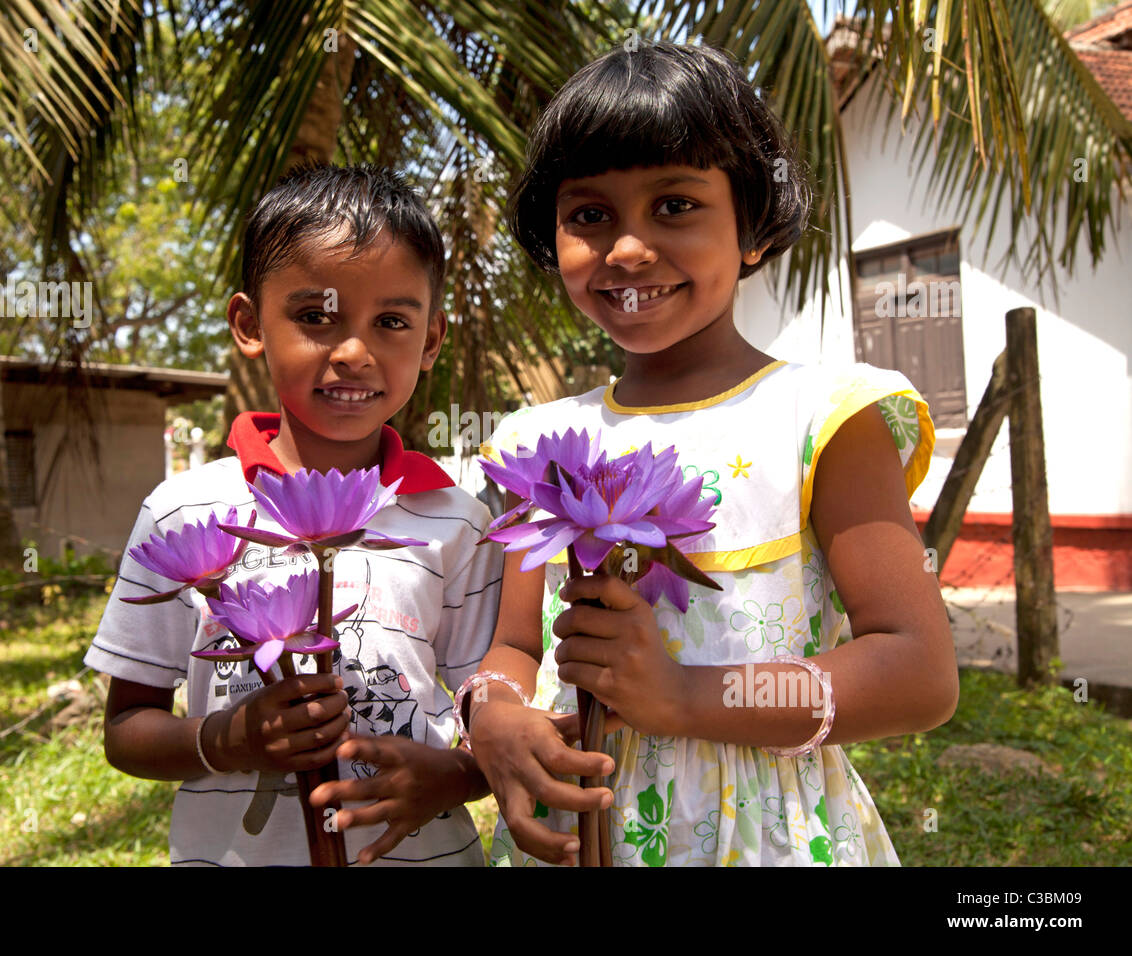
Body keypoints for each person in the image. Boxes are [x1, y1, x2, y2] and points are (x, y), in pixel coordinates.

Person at [466, 41, 959, 866]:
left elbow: (917, 673)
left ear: (754, 229)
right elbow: (515, 646)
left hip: (773, 836)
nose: (626, 249)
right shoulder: (534, 446)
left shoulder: (825, 418)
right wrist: (496, 711)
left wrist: (689, 696)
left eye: (675, 206)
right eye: (589, 215)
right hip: (585, 833)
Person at [85, 162, 502, 866]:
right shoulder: (183, 514)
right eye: (314, 317)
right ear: (249, 324)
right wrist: (227, 740)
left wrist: (457, 776)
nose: (352, 352)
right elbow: (127, 727)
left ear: (430, 341)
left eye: (392, 322)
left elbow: (491, 719)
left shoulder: (457, 522)